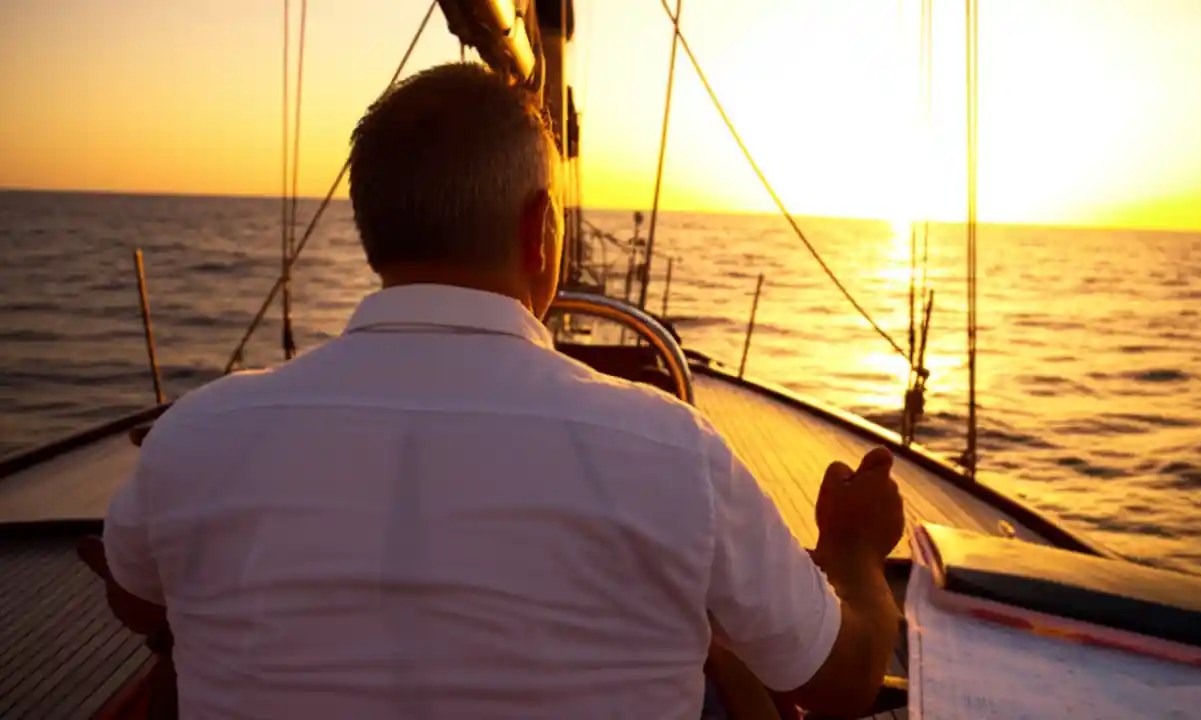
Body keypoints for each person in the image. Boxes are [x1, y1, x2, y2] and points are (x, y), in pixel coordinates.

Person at [85, 63, 903, 719]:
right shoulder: (673, 453)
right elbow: (842, 682)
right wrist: (856, 550)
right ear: (541, 229)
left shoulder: (199, 435)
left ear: (373, 228)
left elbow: (133, 595)